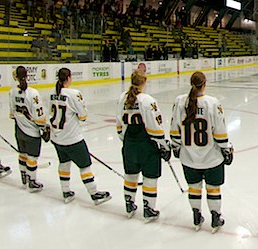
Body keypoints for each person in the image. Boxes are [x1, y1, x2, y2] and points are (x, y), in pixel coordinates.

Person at [170, 71, 234, 232]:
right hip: (211, 157)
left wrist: (176, 146)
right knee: (213, 188)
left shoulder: (179, 102)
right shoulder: (212, 103)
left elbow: (174, 128)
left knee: (194, 187)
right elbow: (219, 131)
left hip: (188, 157)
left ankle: (196, 216)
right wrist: (226, 149)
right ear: (204, 84)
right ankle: (215, 217)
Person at [48, 68, 112, 205]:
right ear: (69, 78)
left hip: (57, 138)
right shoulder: (73, 94)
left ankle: (66, 192)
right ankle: (94, 194)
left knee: (64, 163)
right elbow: (83, 116)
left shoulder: (52, 93)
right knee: (85, 166)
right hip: (72, 138)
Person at [117, 69, 170, 222]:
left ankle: (129, 204)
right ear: (144, 82)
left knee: (130, 175)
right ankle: (148, 208)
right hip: (147, 145)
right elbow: (155, 126)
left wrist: (126, 141)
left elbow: (119, 124)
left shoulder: (123, 98)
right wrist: (162, 144)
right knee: (150, 177)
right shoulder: (148, 100)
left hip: (129, 143)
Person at [9, 65, 49, 192]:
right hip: (32, 132)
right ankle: (32, 182)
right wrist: (44, 127)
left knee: (22, 154)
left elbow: (12, 114)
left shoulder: (12, 92)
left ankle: (24, 178)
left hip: (19, 129)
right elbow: (39, 116)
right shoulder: (33, 94)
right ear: (27, 76)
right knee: (32, 157)